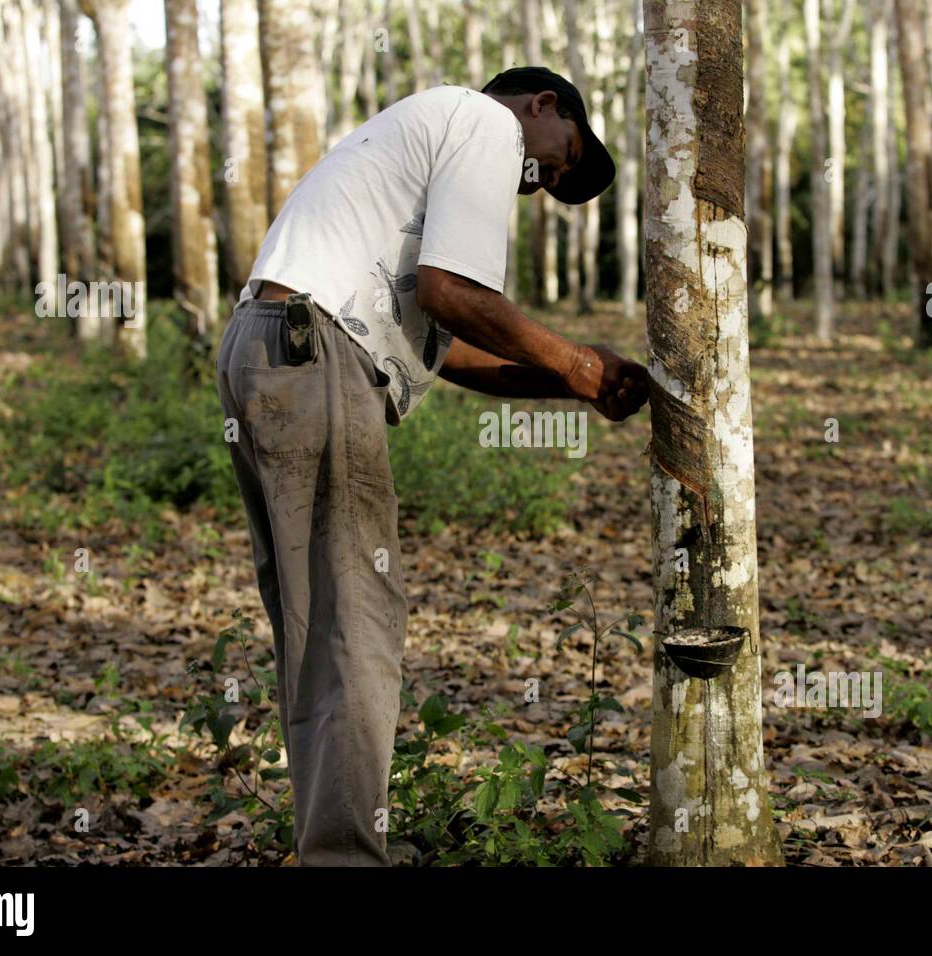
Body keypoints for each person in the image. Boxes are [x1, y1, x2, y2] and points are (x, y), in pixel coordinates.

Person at [214, 66, 649, 866]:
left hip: (266, 347)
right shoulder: (484, 123)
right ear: (543, 106)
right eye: (560, 159)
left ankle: (332, 842)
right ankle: (345, 857)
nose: (544, 178)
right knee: (356, 623)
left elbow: (453, 352)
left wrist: (576, 381)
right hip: (314, 356)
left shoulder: (415, 146)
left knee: (319, 626)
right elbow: (452, 293)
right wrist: (581, 364)